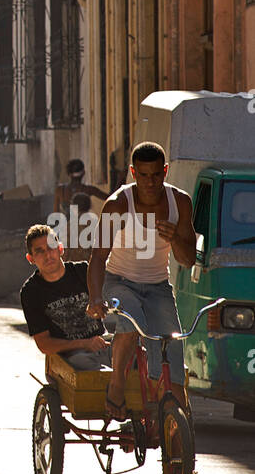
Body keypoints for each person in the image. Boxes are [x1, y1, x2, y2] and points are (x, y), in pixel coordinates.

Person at [86, 141, 196, 420]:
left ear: (166, 171)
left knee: (172, 349)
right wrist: (95, 298)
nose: (151, 182)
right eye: (144, 175)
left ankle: (179, 441)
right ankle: (117, 383)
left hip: (159, 286)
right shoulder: (118, 205)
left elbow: (188, 259)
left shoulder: (179, 202)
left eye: (157, 175)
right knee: (131, 317)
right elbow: (98, 257)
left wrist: (175, 238)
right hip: (120, 281)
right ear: (133, 173)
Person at [21, 224, 110, 370]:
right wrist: (84, 343)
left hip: (103, 341)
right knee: (92, 369)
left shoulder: (83, 271)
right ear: (30, 258)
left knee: (138, 356)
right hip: (69, 355)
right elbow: (44, 344)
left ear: (60, 249)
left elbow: (112, 299)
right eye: (40, 251)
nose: (48, 255)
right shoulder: (31, 292)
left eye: (51, 248)